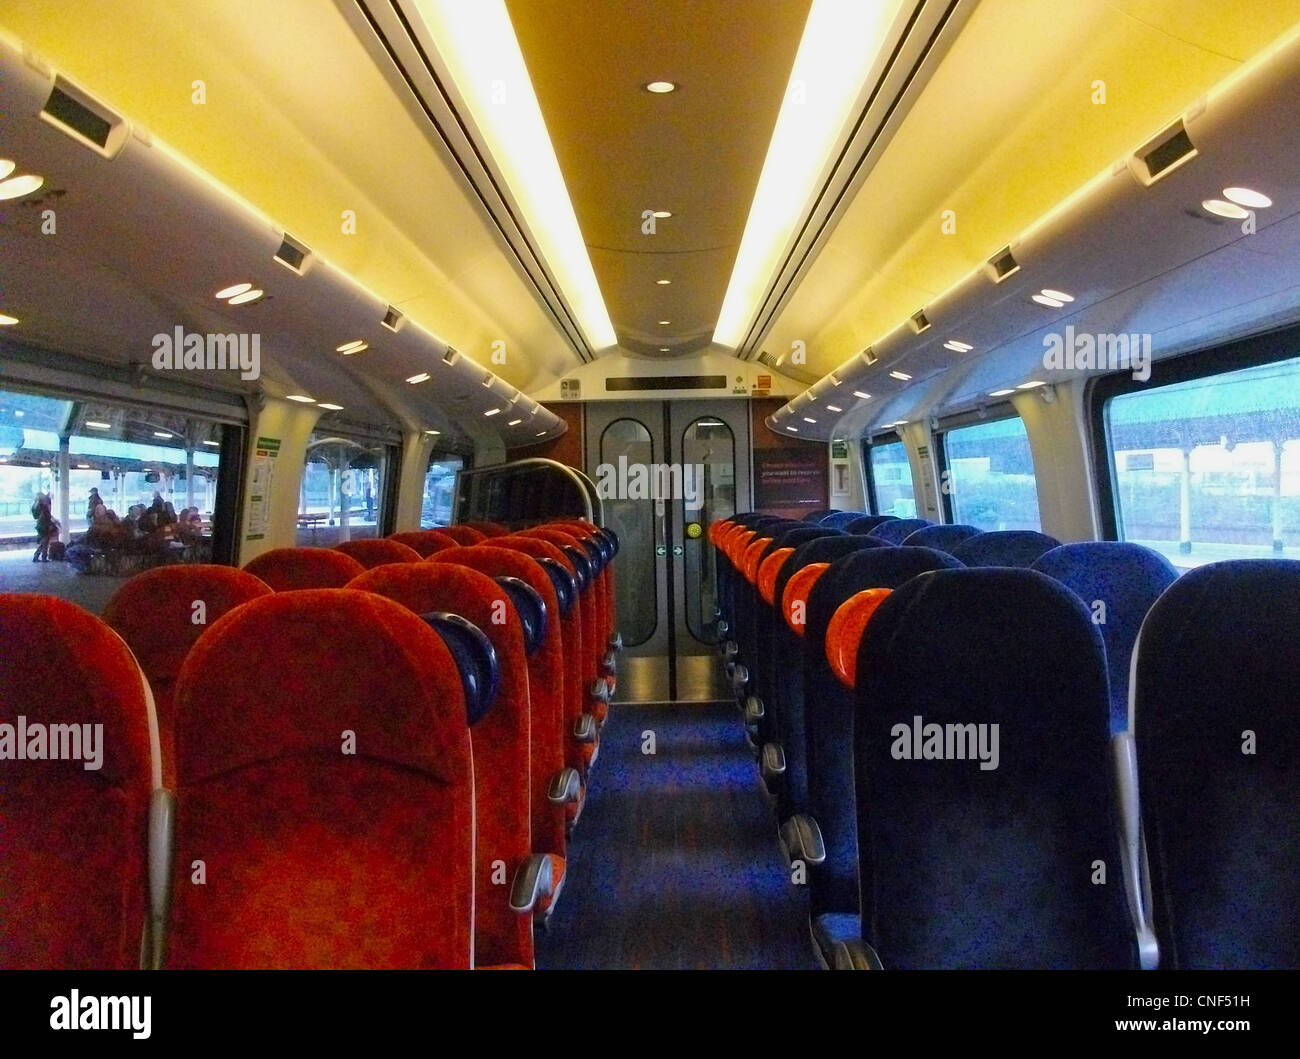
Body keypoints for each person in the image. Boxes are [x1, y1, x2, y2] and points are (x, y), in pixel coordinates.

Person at [31, 493, 57, 562]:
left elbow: (35, 517)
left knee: (44, 542)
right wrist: (52, 524)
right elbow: (48, 516)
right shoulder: (43, 506)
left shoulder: (35, 505)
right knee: (45, 542)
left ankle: (38, 556)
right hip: (44, 525)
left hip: (40, 525)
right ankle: (42, 557)